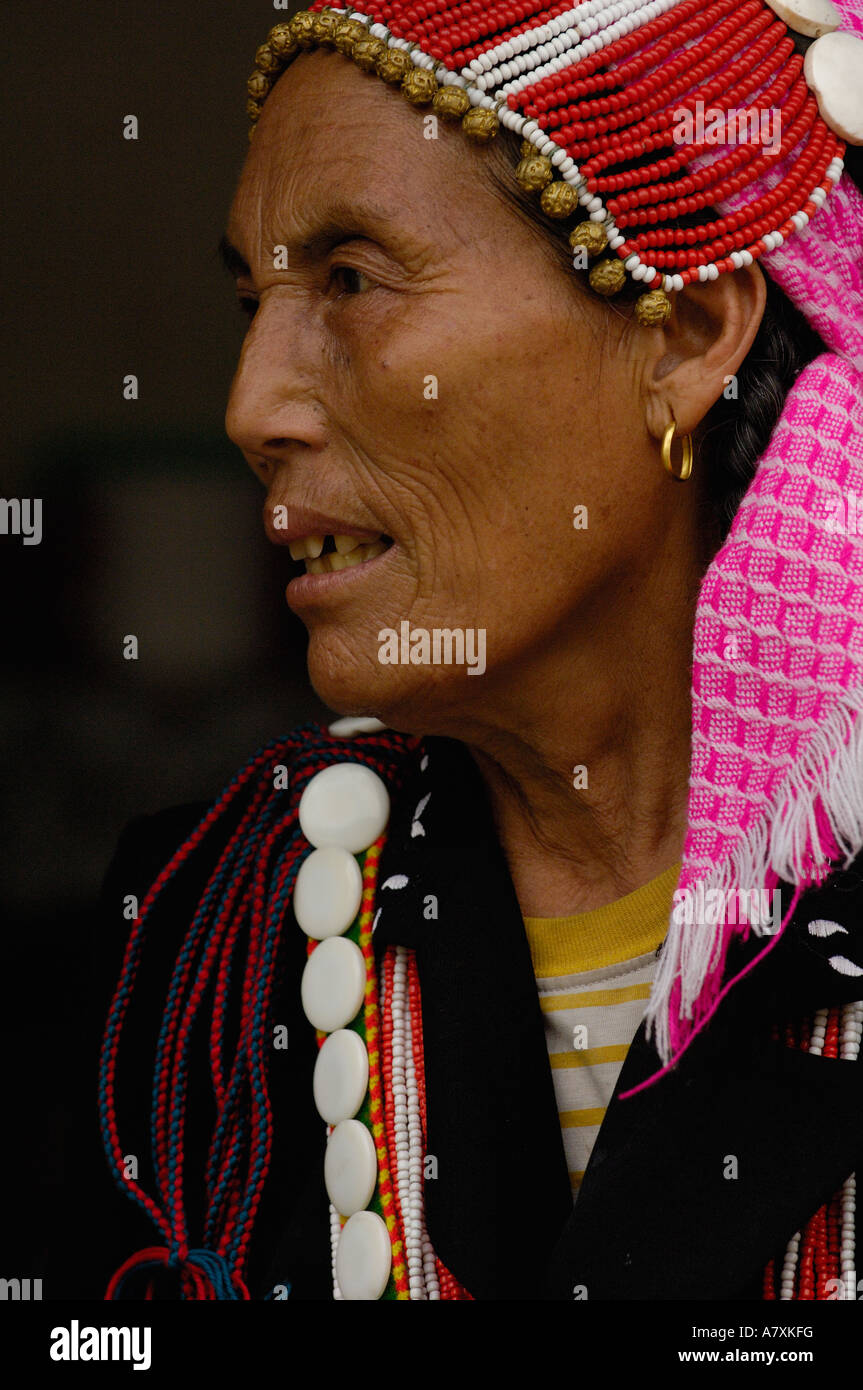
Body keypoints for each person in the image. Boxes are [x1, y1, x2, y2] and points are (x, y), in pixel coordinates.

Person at [93, 2, 863, 1300]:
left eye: (349, 277)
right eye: (251, 298)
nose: (250, 406)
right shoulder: (211, 932)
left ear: (679, 338)